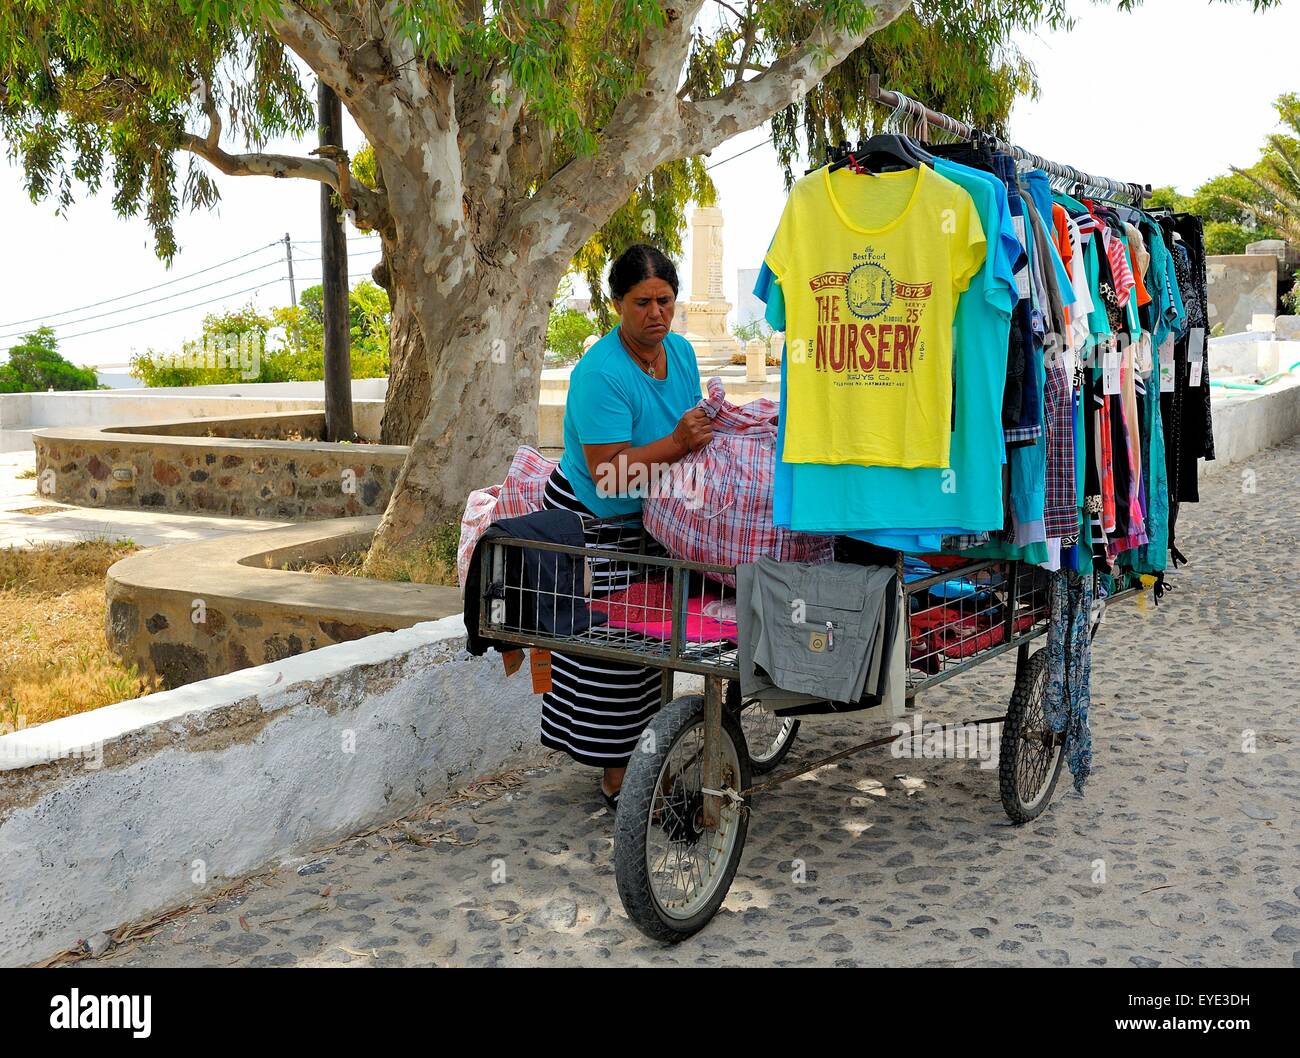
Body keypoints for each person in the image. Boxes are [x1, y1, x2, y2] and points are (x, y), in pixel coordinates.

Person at [541, 244, 713, 808]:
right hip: (595, 519)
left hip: (652, 516)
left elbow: (693, 426)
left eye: (665, 300)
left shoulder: (681, 354)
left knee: (654, 643)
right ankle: (620, 779)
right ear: (617, 304)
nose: (656, 313)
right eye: (642, 302)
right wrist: (680, 443)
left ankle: (643, 762)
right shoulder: (600, 374)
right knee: (611, 648)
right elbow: (610, 477)